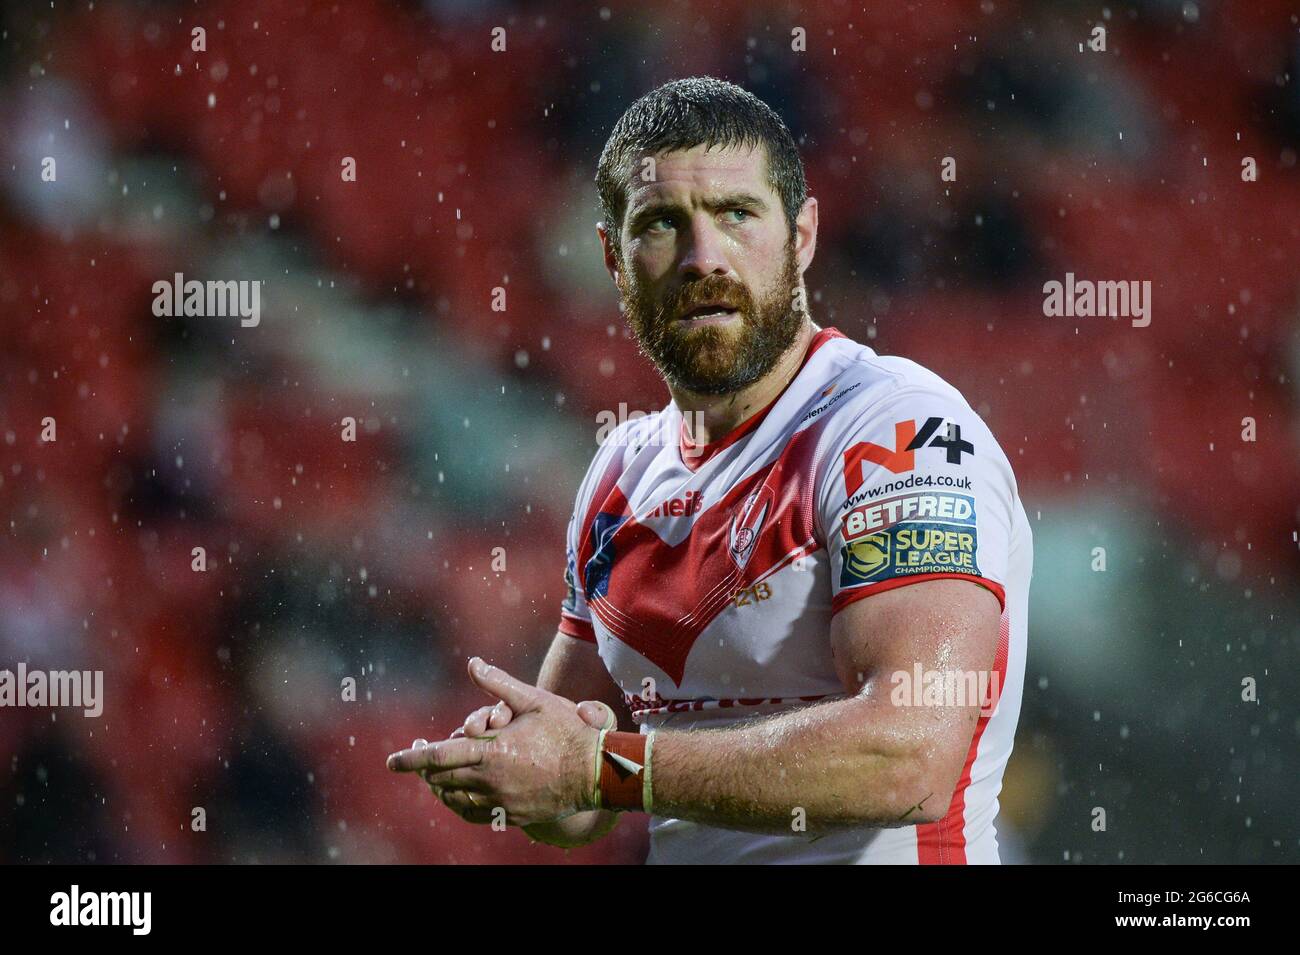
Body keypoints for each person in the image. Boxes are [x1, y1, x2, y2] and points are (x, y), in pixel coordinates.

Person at [388, 76, 1033, 864]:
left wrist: (600, 768)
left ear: (801, 237)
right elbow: (580, 802)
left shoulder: (901, 432)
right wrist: (519, 763)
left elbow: (909, 755)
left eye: (736, 214)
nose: (703, 258)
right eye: (661, 223)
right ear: (613, 258)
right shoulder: (619, 474)